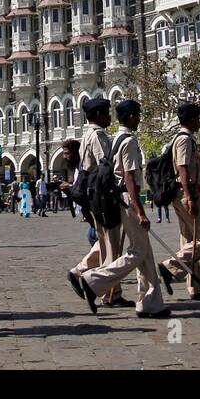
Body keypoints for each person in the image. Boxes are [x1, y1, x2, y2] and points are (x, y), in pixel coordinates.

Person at [77, 99, 171, 319]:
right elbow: (129, 176)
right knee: (138, 251)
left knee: (145, 253)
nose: (139, 120)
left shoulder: (117, 138)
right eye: (137, 116)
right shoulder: (127, 141)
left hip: (121, 199)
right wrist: (139, 210)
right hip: (129, 200)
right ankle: (94, 281)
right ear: (130, 117)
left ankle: (150, 302)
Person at [67, 99, 130, 307]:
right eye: (106, 113)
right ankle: (110, 292)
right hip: (103, 196)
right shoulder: (99, 136)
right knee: (111, 245)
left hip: (93, 196)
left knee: (104, 243)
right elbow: (106, 167)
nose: (109, 117)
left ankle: (85, 275)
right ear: (98, 115)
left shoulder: (86, 134)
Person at [156, 101, 200, 301]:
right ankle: (170, 267)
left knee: (189, 241)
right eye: (197, 119)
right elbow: (182, 167)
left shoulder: (185, 138)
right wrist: (189, 196)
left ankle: (197, 287)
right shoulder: (183, 139)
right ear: (191, 120)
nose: (199, 123)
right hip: (186, 192)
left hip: (187, 190)